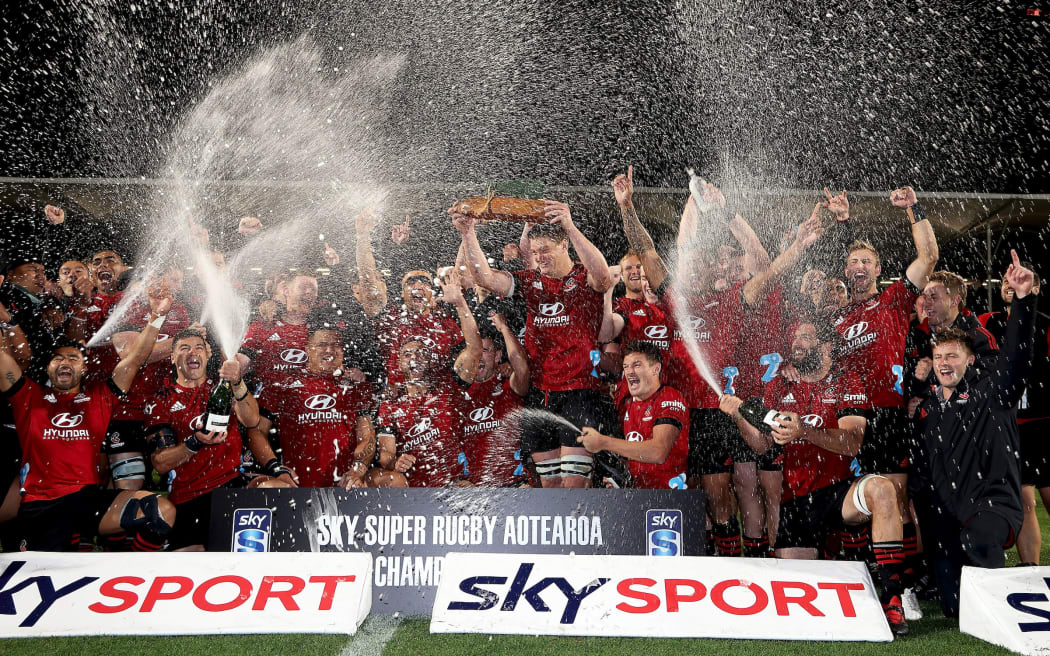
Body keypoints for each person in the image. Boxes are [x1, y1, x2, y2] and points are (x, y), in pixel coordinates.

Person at [616, 166, 824, 557]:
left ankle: (733, 558)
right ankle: (692, 554)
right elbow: (645, 250)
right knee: (684, 490)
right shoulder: (674, 299)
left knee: (720, 494)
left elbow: (770, 271)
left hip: (714, 411)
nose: (689, 266)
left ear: (712, 269)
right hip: (675, 411)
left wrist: (799, 247)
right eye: (686, 262)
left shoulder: (732, 301)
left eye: (698, 262)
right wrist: (627, 208)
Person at [718, 318, 910, 636]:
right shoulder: (779, 385)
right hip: (796, 501)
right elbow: (763, 444)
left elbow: (852, 443)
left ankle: (893, 600)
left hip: (839, 492)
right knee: (794, 602)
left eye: (806, 337)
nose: (797, 343)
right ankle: (841, 556)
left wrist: (804, 430)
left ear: (826, 347)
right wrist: (738, 415)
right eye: (795, 337)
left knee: (882, 488)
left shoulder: (846, 380)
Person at [0, 283, 176, 552]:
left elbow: (135, 359)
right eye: (57, 359)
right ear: (48, 367)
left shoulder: (99, 397)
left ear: (84, 368)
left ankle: (127, 569)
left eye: (73, 358)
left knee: (161, 510)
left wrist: (157, 316)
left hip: (86, 499)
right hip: (40, 504)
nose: (65, 363)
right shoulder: (28, 396)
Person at [824, 186, 938, 597]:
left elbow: (929, 258)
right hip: (846, 418)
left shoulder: (893, 300)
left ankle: (903, 586)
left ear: (877, 269)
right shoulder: (834, 317)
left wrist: (913, 210)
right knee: (856, 504)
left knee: (897, 499)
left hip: (888, 414)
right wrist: (842, 221)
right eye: (852, 260)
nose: (859, 266)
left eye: (866, 261)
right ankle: (865, 576)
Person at [909, 251, 1037, 618]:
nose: (945, 363)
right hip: (952, 511)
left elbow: (1017, 354)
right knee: (953, 607)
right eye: (939, 358)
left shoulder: (993, 392)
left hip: (994, 506)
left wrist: (1024, 302)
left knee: (977, 541)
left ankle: (1001, 611)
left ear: (970, 360)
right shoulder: (930, 407)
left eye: (953, 356)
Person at [453, 198, 612, 489]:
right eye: (535, 251)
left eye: (546, 250)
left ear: (564, 246)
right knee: (549, 488)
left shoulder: (582, 277)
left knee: (574, 485)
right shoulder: (528, 281)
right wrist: (468, 232)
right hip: (540, 394)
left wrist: (570, 226)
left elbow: (603, 278)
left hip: (579, 393)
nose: (539, 257)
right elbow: (484, 277)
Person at [146, 328, 292, 551]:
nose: (192, 353)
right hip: (189, 496)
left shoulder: (223, 386)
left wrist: (238, 382)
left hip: (230, 488)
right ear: (173, 357)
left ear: (208, 354)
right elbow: (161, 462)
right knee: (191, 565)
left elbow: (252, 420)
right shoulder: (162, 400)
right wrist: (196, 442)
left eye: (198, 348)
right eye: (184, 348)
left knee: (276, 489)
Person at [369, 271, 482, 488]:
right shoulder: (391, 404)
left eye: (421, 353)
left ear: (432, 361)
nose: (414, 358)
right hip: (414, 494)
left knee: (467, 490)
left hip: (454, 485)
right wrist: (395, 463)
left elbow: (474, 349)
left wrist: (459, 303)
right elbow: (386, 454)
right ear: (398, 363)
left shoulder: (449, 390)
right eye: (407, 355)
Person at [255, 309, 377, 488]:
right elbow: (256, 431)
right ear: (307, 349)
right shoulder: (282, 385)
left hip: (345, 487)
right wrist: (276, 468)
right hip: (295, 488)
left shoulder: (356, 388)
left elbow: (368, 437)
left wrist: (357, 470)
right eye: (322, 344)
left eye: (336, 344)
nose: (330, 350)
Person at [979, 261, 1050, 566]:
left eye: (1019, 281)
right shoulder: (986, 321)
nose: (1009, 285)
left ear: (1035, 288)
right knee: (1024, 500)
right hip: (1008, 427)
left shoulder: (1046, 324)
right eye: (1005, 282)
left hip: (1043, 423)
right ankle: (1030, 567)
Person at [577, 341, 690, 490]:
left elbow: (658, 452)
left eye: (637, 365)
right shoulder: (629, 403)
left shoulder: (670, 397)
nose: (629, 372)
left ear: (655, 369)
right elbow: (635, 455)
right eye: (626, 366)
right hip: (638, 495)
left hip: (669, 498)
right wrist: (620, 478)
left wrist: (603, 442)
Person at [462, 313, 530, 487]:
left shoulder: (508, 384)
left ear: (498, 356)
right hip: (475, 490)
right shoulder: (460, 394)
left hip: (513, 485)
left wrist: (504, 329)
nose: (478, 356)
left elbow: (522, 369)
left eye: (485, 350)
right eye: (474, 351)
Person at [237, 272, 319, 387]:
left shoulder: (320, 329)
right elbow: (241, 364)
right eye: (303, 287)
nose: (309, 292)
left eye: (313, 289)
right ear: (287, 291)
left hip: (310, 402)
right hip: (267, 403)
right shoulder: (264, 324)